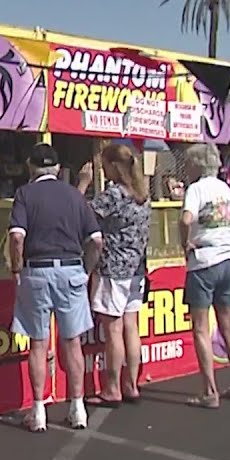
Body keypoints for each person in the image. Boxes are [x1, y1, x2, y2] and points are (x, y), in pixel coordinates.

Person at [8, 143, 104, 432]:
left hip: (37, 270)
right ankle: (77, 407)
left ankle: (38, 411)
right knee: (72, 341)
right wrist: (85, 270)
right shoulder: (74, 196)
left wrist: (16, 269)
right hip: (71, 269)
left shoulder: (24, 194)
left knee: (38, 343)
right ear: (58, 168)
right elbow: (97, 240)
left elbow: (16, 238)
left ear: (30, 166)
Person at [74, 143, 151, 408]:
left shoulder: (114, 195)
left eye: (105, 166)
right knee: (131, 326)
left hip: (114, 268)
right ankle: (131, 383)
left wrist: (82, 184)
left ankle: (112, 387)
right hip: (137, 268)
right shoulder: (142, 195)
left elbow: (80, 214)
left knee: (113, 328)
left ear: (114, 166)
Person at [178, 143, 230, 409]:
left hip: (204, 261)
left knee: (200, 327)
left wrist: (185, 243)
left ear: (196, 164)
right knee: (228, 325)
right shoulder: (229, 189)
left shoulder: (196, 189)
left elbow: (186, 220)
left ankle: (210, 390)